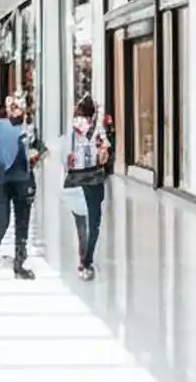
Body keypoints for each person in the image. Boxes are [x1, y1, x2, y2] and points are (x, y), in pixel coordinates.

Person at [0, 97, 36, 280]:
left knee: (23, 222)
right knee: (2, 220)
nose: (15, 110)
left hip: (23, 180)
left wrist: (35, 157)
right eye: (12, 106)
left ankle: (20, 262)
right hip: (2, 181)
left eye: (19, 107)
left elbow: (39, 150)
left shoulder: (29, 129)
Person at [64, 97, 113, 280]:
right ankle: (87, 261)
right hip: (93, 178)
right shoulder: (98, 130)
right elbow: (104, 155)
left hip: (75, 179)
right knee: (94, 222)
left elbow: (66, 156)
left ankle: (83, 258)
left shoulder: (72, 130)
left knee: (81, 223)